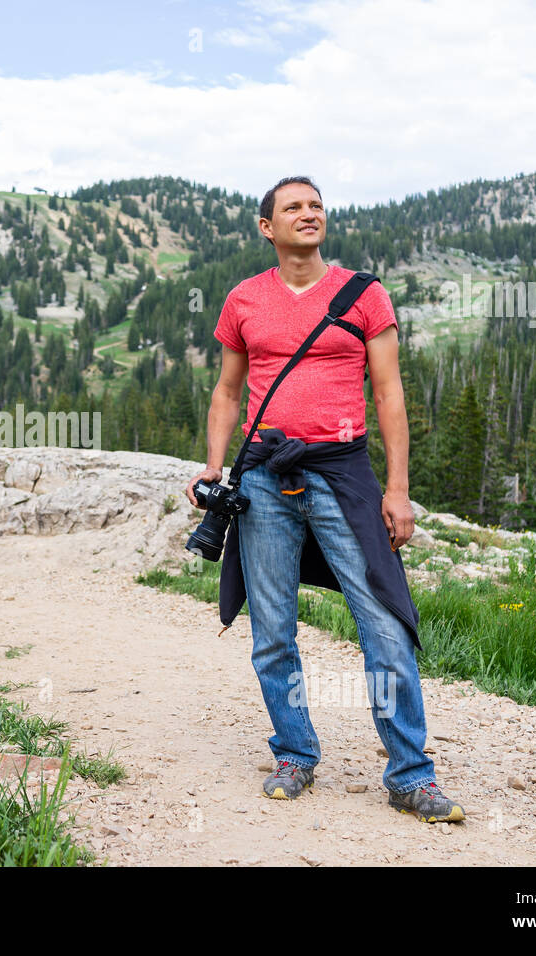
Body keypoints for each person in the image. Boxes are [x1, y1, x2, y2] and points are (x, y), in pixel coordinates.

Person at [184, 175, 465, 824]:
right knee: (274, 628)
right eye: (293, 207)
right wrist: (213, 466)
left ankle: (410, 776)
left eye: (315, 205)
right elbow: (228, 392)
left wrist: (397, 488)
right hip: (261, 481)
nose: (308, 214)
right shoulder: (244, 300)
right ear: (267, 227)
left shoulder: (364, 294)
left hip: (343, 473)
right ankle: (294, 754)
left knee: (385, 622)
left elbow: (390, 394)